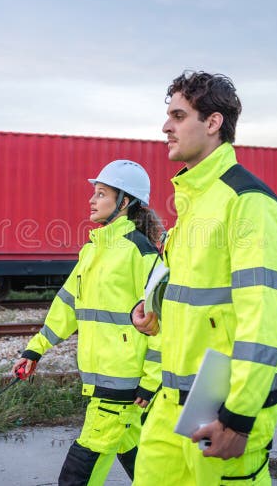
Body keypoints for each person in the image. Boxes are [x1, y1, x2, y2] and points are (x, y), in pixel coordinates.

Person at [132, 71, 277, 485]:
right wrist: (156, 314)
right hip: (171, 408)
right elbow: (202, 301)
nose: (166, 126)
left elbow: (263, 321)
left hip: (220, 410)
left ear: (213, 122)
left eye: (178, 115)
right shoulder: (195, 203)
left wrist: (238, 419)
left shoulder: (248, 203)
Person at [13, 159, 164, 486]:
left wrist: (152, 379)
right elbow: (67, 304)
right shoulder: (92, 251)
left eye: (101, 194)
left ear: (124, 202)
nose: (91, 201)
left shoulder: (141, 252)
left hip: (123, 379)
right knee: (138, 453)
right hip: (101, 375)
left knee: (82, 464)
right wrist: (34, 350)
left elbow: (161, 321)